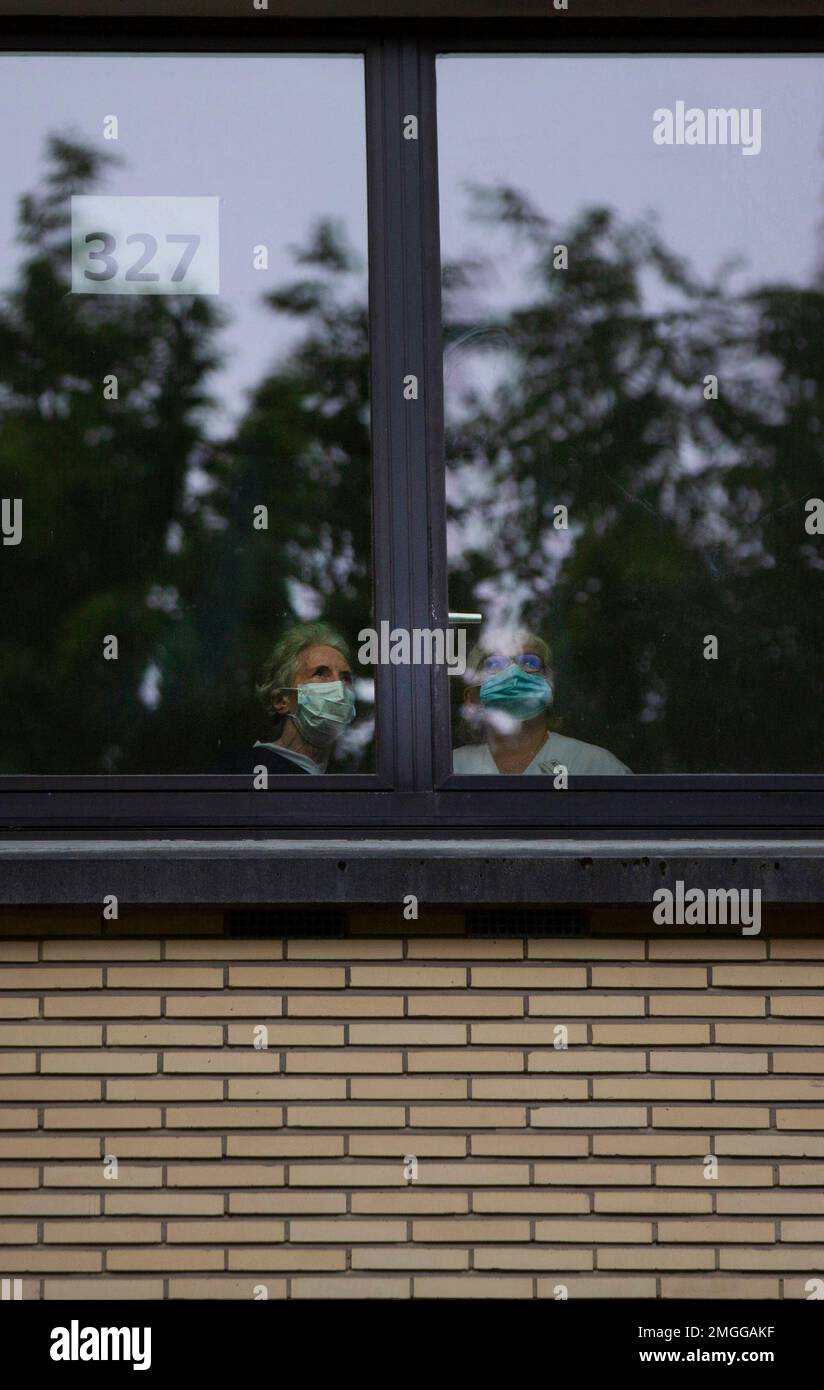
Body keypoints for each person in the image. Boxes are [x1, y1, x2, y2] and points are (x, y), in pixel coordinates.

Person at [453, 629, 630, 775]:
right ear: (471, 699)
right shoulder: (452, 768)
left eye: (529, 662)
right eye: (494, 664)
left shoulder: (594, 766)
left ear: (550, 689)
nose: (514, 673)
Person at [250, 621, 356, 774]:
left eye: (345, 678)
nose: (339, 688)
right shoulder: (244, 773)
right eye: (320, 673)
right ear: (281, 701)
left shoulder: (347, 780)